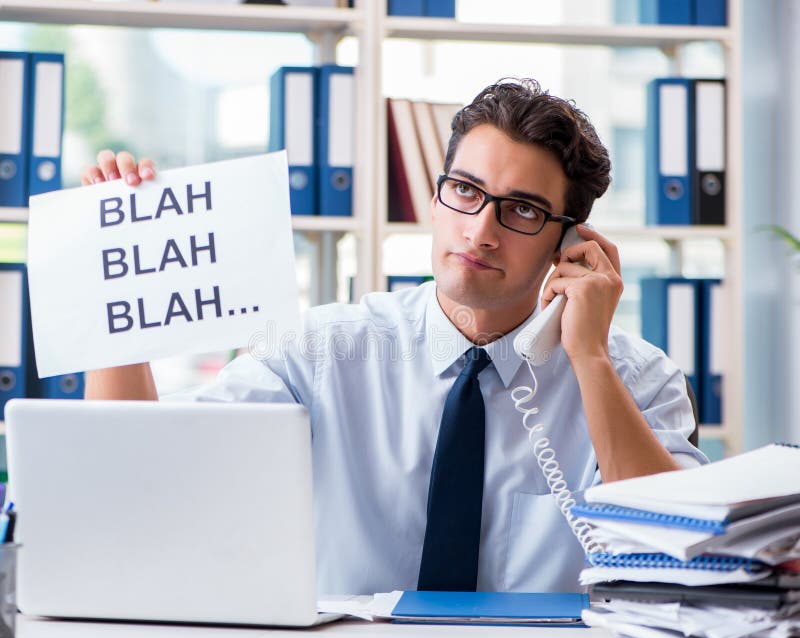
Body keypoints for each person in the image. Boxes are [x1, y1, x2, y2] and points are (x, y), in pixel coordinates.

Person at [81, 79, 706, 595]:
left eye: (522, 210)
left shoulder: (637, 378)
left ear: (571, 243)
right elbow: (136, 480)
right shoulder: (321, 352)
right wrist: (121, 282)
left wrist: (590, 358)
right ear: (434, 202)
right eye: (465, 191)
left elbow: (674, 557)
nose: (480, 232)